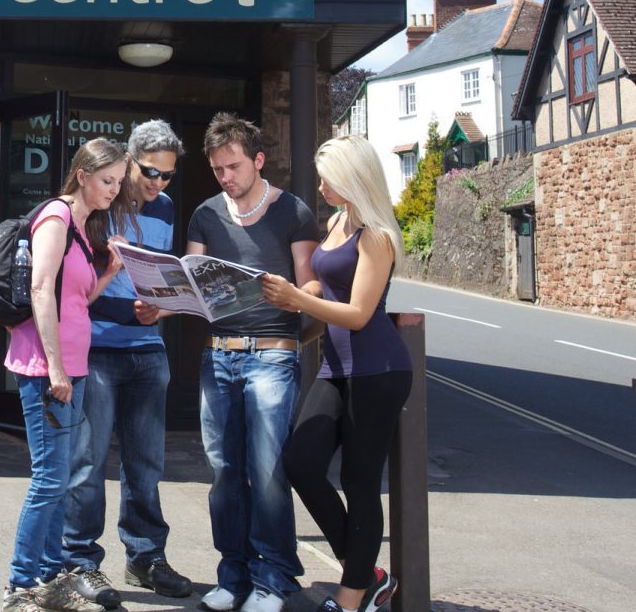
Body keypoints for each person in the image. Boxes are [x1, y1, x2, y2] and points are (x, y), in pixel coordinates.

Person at [261, 135, 410, 612]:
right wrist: (296, 325)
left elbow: (360, 314)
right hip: (336, 368)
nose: (321, 184)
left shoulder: (377, 234)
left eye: (328, 176)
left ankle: (351, 600)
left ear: (353, 177)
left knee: (360, 481)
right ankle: (368, 573)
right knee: (300, 463)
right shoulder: (337, 221)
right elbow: (325, 303)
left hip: (377, 371)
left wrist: (295, 297)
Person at [181, 112, 318, 612]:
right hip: (217, 356)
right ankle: (233, 576)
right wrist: (167, 297)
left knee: (267, 469)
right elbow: (192, 279)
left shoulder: (294, 212)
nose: (226, 177)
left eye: (234, 166)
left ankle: (274, 578)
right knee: (224, 471)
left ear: (258, 161)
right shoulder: (205, 215)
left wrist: (296, 296)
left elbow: (312, 285)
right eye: (218, 169)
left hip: (273, 356)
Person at [62, 120, 192, 608]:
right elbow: (75, 287)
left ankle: (145, 558)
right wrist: (119, 305)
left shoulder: (165, 208)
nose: (158, 183)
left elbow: (157, 277)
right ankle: (80, 562)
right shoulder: (100, 201)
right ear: (128, 161)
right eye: (150, 172)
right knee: (88, 461)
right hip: (96, 348)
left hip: (147, 349)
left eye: (167, 175)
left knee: (146, 463)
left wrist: (159, 306)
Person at [3, 138, 132, 612]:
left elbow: (76, 302)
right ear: (82, 175)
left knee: (58, 478)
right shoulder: (56, 217)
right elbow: (40, 289)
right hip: (46, 369)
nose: (114, 191)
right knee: (49, 479)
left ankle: (49, 579)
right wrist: (55, 366)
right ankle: (19, 586)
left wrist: (109, 271)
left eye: (118, 182)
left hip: (70, 368)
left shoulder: (81, 227)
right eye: (106, 180)